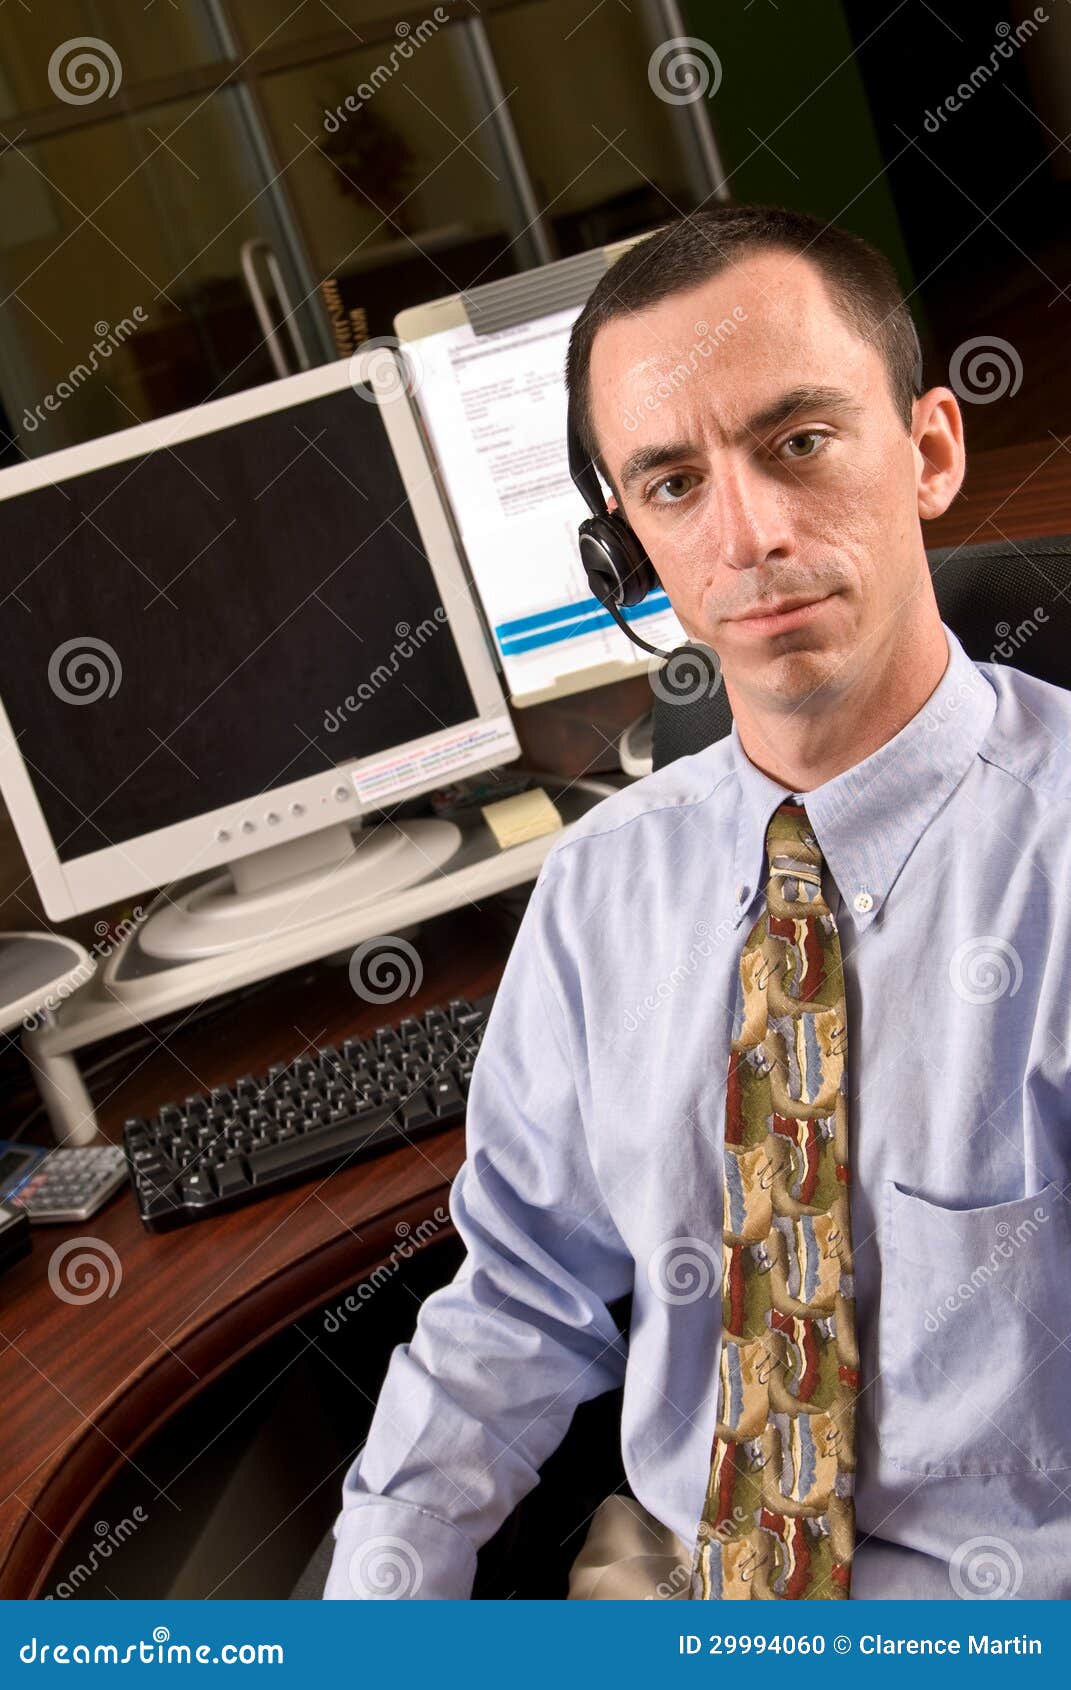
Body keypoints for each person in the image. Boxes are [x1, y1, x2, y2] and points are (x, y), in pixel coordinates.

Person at [323, 204, 1071, 1601]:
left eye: (798, 441)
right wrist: (373, 1610)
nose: (750, 532)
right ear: (627, 555)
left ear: (930, 451)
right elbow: (517, 1301)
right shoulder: (602, 887)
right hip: (670, 1589)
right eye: (672, 484)